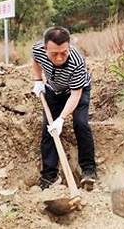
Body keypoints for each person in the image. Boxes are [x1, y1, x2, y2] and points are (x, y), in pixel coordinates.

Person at [31, 26, 97, 190]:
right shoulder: (38, 50)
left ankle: (88, 170)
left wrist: (61, 119)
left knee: (80, 124)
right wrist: (38, 80)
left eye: (64, 52)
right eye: (54, 54)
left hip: (76, 91)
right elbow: (35, 60)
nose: (60, 57)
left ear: (68, 47)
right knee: (48, 130)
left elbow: (75, 96)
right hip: (53, 90)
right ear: (45, 48)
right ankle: (49, 175)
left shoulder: (77, 61)